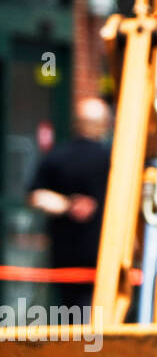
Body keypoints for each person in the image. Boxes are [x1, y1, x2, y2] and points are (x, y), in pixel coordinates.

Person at [27, 97, 112, 269]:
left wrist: (67, 205)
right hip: (106, 257)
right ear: (105, 125)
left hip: (63, 258)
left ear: (76, 123)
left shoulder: (56, 157)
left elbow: (36, 197)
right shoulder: (113, 161)